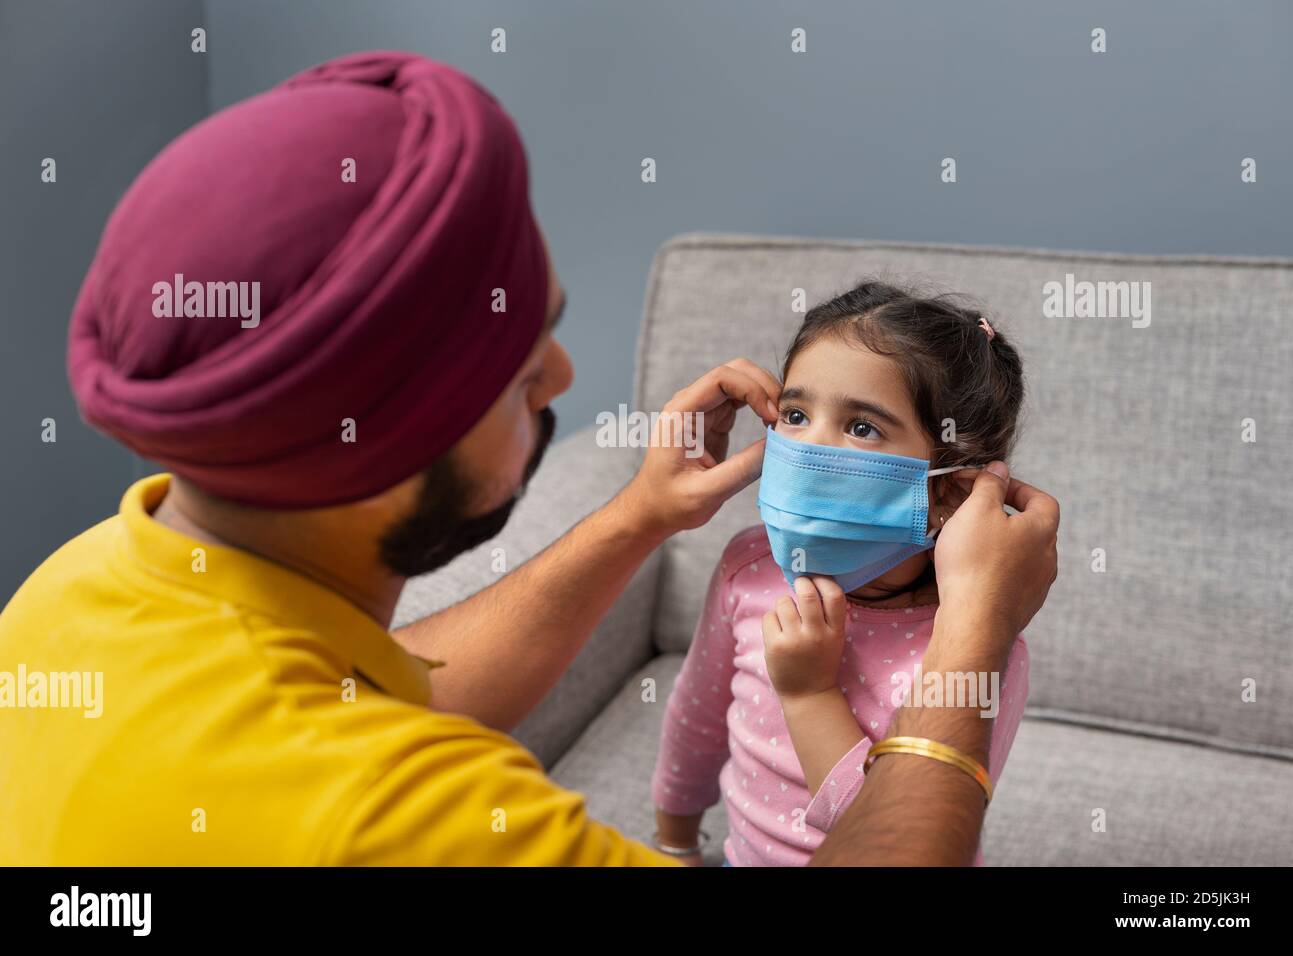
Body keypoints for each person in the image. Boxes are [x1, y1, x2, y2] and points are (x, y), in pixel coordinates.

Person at [0, 52, 1058, 865]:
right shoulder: (418, 819)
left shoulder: (69, 590)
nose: (557, 373)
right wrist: (973, 621)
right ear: (396, 434)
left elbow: (373, 691)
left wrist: (637, 514)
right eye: (515, 369)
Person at [651, 281, 1031, 865]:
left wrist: (809, 694)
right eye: (796, 414)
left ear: (951, 490)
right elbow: (695, 720)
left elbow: (902, 827)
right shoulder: (747, 572)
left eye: (861, 427)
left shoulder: (976, 639)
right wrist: (675, 845)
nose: (806, 449)